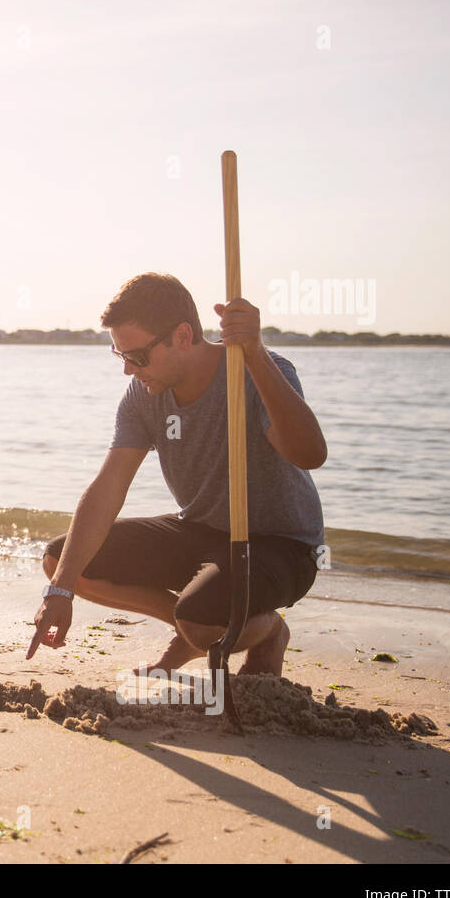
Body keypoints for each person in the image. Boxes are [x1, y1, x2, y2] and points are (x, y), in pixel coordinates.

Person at [28, 273, 328, 675]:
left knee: (202, 619)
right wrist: (60, 589)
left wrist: (255, 355)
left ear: (183, 337)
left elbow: (310, 454)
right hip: (201, 530)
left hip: (281, 545)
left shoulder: (256, 371)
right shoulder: (143, 395)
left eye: (137, 357)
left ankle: (265, 630)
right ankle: (196, 627)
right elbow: (108, 487)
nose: (129, 371)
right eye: (121, 357)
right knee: (59, 560)